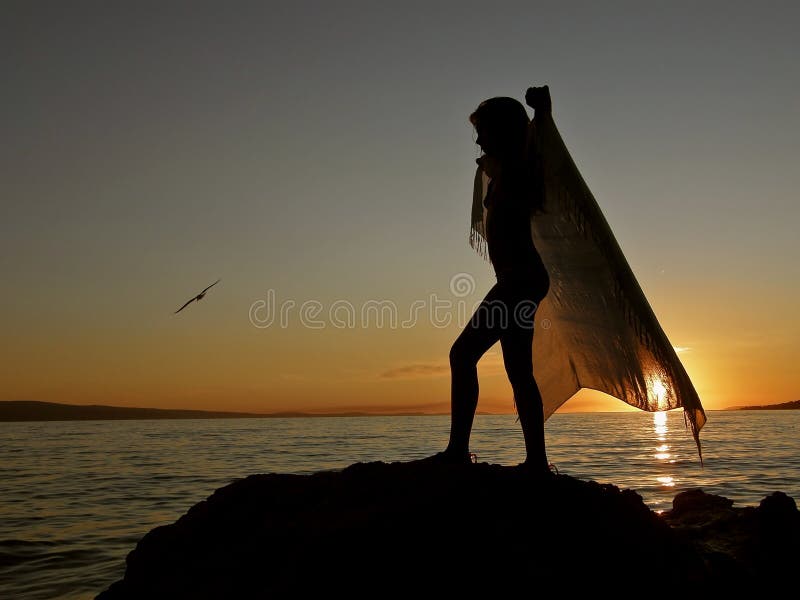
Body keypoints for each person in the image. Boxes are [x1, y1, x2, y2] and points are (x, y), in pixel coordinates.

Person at [429, 87, 552, 472]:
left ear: (502, 131)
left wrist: (543, 113)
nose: (478, 139)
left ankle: (457, 452)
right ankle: (535, 462)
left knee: (462, 354)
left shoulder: (521, 167)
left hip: (520, 279)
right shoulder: (503, 169)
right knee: (518, 371)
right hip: (519, 279)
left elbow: (541, 147)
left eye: (482, 130)